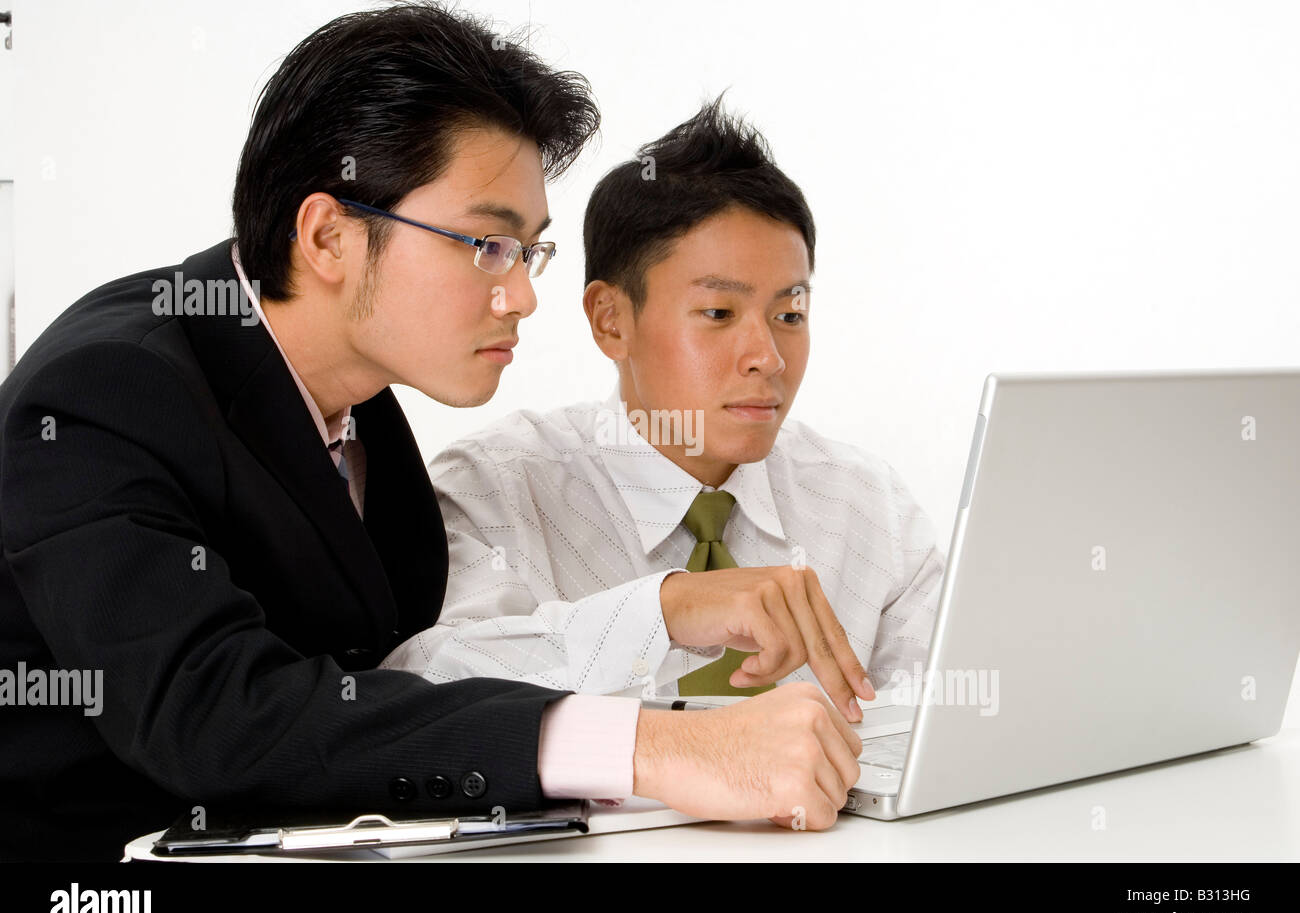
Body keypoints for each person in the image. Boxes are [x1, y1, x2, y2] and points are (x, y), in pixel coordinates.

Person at [0, 6, 860, 862]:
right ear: (329, 235)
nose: (522, 295)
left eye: (531, 252)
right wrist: (654, 747)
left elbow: (401, 682)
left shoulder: (365, 412)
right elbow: (216, 714)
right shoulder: (106, 391)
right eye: (488, 244)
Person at [384, 99, 946, 718]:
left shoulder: (870, 509)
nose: (767, 357)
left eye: (789, 315)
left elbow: (948, 722)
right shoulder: (496, 490)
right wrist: (662, 611)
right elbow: (426, 681)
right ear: (610, 320)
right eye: (718, 314)